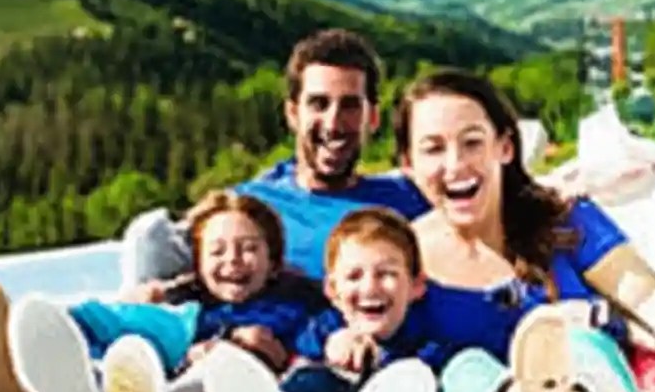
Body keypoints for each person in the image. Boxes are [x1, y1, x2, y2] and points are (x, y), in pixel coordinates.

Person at [388, 68, 655, 392]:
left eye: (472, 143)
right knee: (462, 373)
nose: (455, 165)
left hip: (582, 389)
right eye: (433, 149)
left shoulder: (562, 219)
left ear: (504, 148)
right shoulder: (401, 255)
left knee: (579, 343)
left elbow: (639, 287)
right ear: (408, 164)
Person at [0, 189, 327, 392]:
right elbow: (135, 319)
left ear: (273, 261)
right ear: (197, 265)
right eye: (217, 251)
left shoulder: (292, 305)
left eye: (249, 249)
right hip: (165, 370)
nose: (233, 261)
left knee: (208, 379)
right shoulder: (186, 305)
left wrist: (274, 353)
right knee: (118, 343)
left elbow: (313, 352)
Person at [120, 28, 432, 287]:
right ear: (293, 113)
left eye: (350, 106)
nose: (334, 123)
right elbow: (162, 255)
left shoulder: (410, 201)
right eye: (319, 104)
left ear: (373, 118)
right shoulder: (247, 208)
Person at [199, 207, 445, 392]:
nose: (369, 287)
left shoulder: (424, 342)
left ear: (416, 286)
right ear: (332, 289)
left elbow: (429, 370)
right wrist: (332, 343)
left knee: (411, 383)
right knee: (311, 377)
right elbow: (299, 349)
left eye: (387, 274)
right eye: (354, 276)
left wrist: (381, 358)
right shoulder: (323, 326)